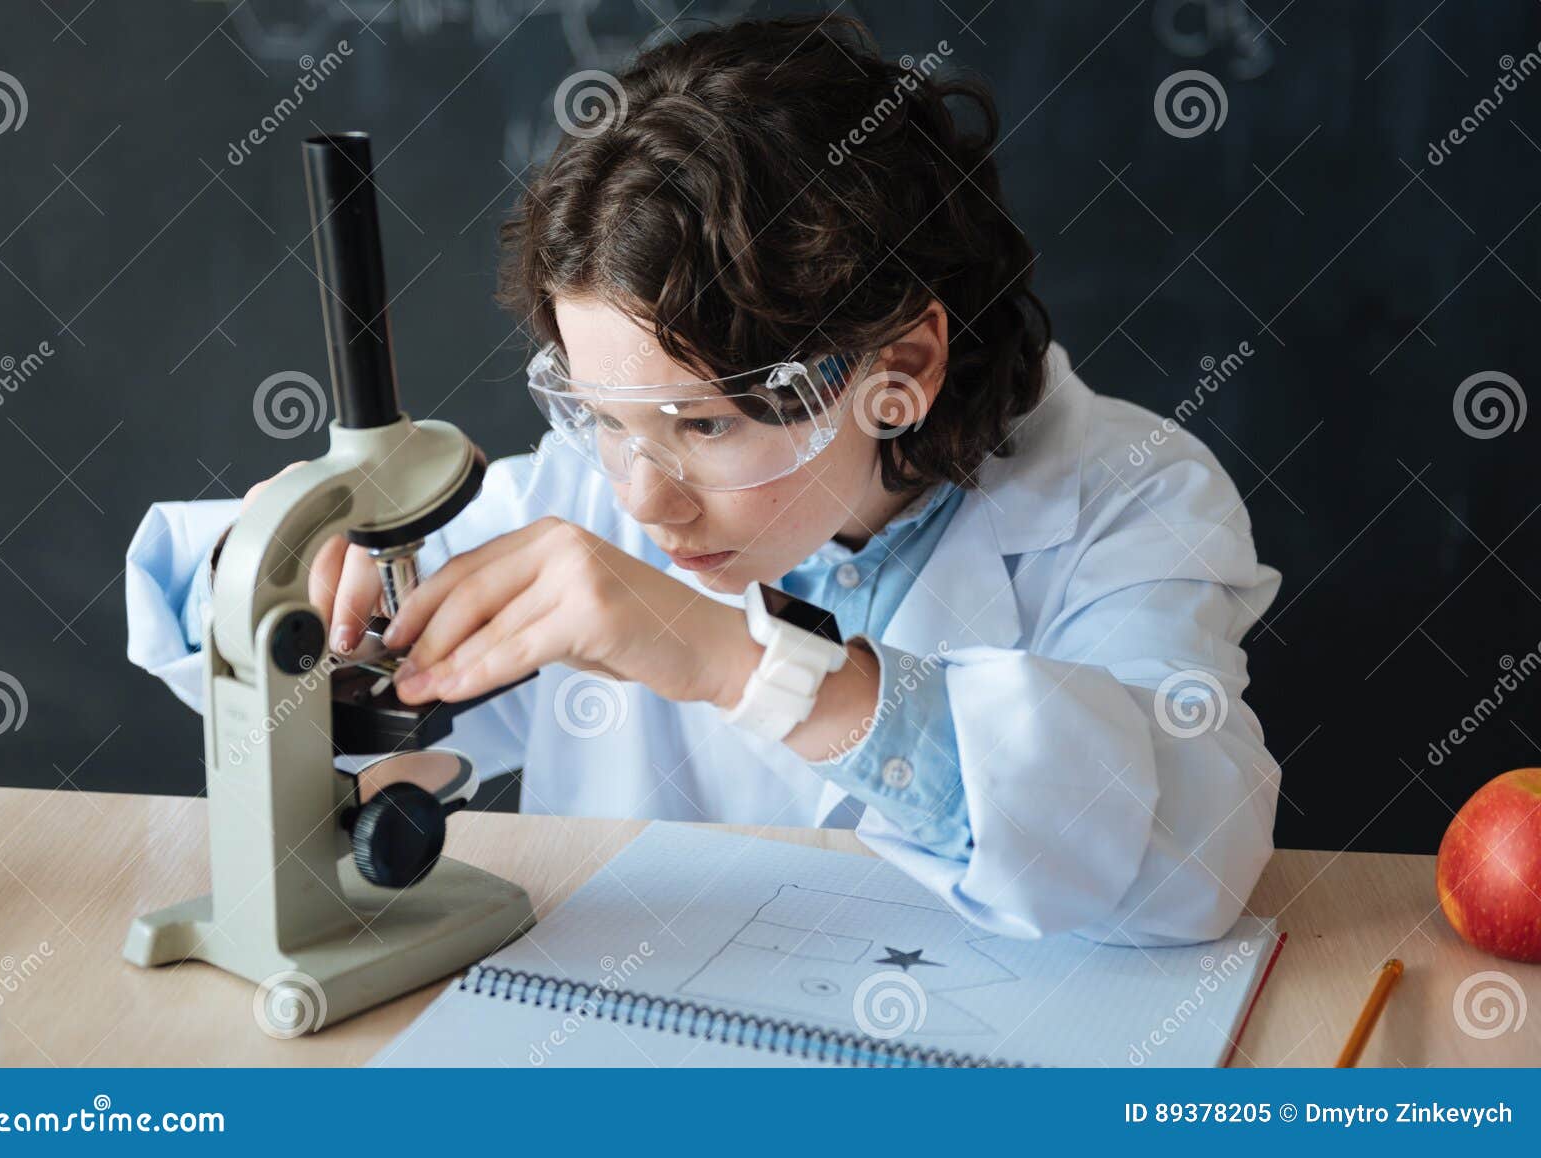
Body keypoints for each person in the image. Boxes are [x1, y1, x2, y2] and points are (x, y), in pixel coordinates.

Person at [126, 15, 1281, 947]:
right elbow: (203, 590)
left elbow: (1189, 867)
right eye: (600, 417)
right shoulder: (581, 496)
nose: (642, 499)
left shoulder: (1133, 500)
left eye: (707, 424)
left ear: (904, 368)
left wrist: (743, 665)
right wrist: (280, 565)